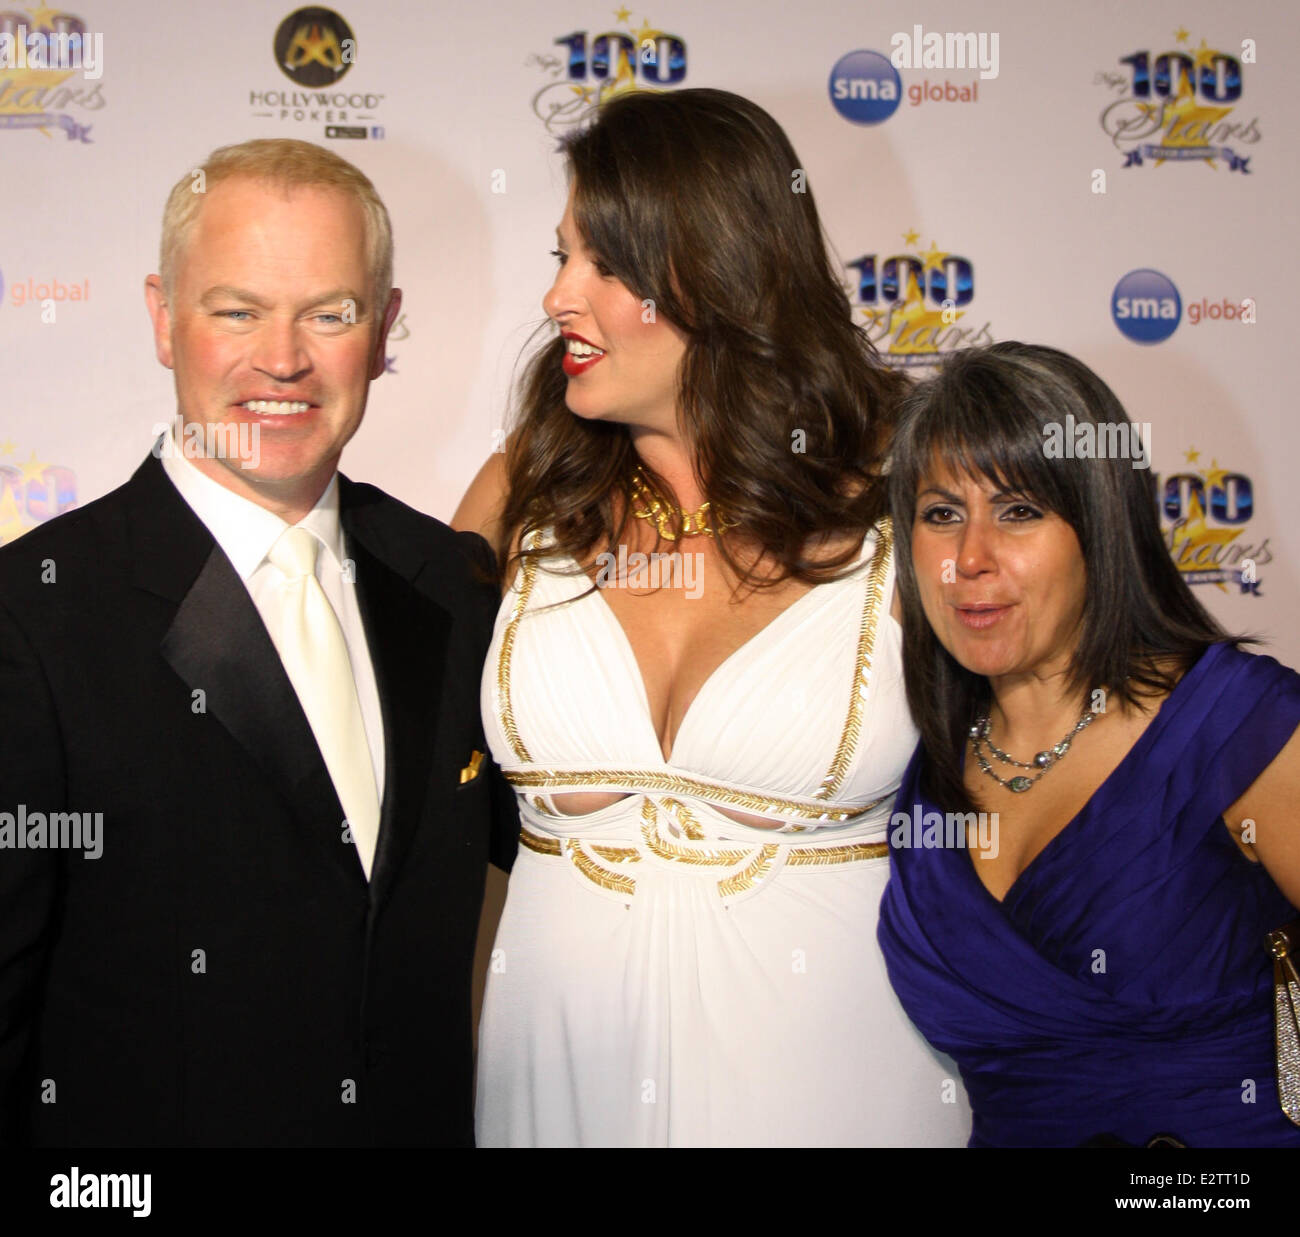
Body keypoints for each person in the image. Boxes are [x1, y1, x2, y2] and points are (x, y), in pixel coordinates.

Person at [455, 88, 969, 1146]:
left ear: (719, 269)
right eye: (559, 259)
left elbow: (1081, 768)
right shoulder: (519, 497)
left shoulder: (909, 497)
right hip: (551, 1087)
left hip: (840, 1089)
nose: (558, 297)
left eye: (602, 265)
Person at [0, 138, 516, 1146]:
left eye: (330, 313)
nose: (282, 358)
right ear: (161, 317)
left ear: (385, 328)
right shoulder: (34, 616)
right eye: (236, 310)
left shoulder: (454, 591)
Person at [877, 341, 1300, 1147]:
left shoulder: (1233, 727)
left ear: (1101, 524)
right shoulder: (928, 775)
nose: (970, 559)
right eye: (940, 514)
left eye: (1018, 511)